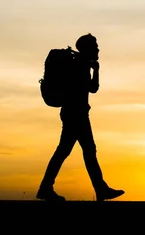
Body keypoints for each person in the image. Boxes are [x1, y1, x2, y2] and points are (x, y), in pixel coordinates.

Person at [36, 33, 124, 202]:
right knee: (79, 152)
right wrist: (95, 70)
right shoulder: (79, 64)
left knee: (72, 152)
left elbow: (92, 88)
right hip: (76, 114)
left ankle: (98, 188)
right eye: (95, 46)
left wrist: (96, 70)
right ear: (87, 48)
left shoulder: (81, 63)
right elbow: (92, 88)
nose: (98, 49)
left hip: (75, 113)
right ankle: (47, 188)